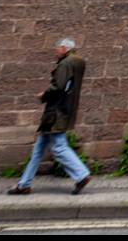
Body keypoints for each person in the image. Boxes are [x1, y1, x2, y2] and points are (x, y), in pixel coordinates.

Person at [8, 38, 91, 195]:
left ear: (65, 48)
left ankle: (81, 175)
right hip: (63, 110)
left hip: (56, 112)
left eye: (57, 48)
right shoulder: (77, 62)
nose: (55, 51)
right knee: (39, 150)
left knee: (59, 147)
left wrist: (44, 95)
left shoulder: (66, 63)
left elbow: (58, 87)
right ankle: (24, 184)